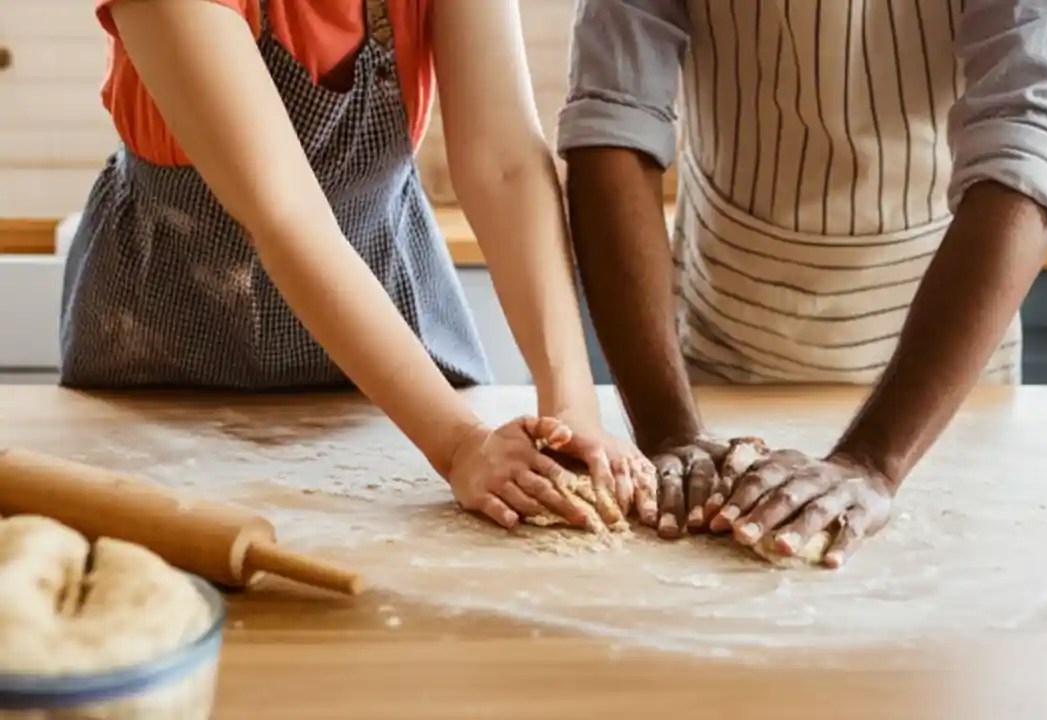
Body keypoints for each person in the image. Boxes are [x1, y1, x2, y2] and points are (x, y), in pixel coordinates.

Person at [64, 0, 652, 529]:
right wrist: (456, 445)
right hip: (164, 343)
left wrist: (573, 407)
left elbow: (504, 163)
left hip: (398, 338)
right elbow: (286, 216)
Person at [558, 0, 1047, 566]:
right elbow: (613, 118)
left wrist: (875, 461)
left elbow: (1026, 147)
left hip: (945, 383)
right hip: (723, 342)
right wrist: (670, 432)